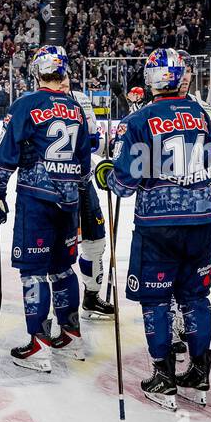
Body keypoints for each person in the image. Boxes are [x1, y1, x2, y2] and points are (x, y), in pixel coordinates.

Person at [101, 47, 211, 410]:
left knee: (156, 299)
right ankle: (199, 374)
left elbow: (125, 182)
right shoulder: (200, 114)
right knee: (195, 297)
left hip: (158, 224)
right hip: (201, 220)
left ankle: (163, 376)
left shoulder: (141, 119)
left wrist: (109, 175)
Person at [0, 48, 92, 372]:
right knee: (62, 269)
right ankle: (71, 336)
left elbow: (5, 156)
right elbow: (85, 166)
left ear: (36, 72)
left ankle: (39, 344)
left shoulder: (26, 104)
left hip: (37, 200)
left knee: (33, 271)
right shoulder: (76, 108)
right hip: (68, 201)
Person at [63, 66, 115, 320]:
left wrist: (109, 147)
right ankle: (60, 304)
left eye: (63, 74)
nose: (60, 81)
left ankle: (91, 296)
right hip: (53, 188)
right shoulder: (35, 104)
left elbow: (95, 141)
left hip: (84, 182)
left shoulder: (81, 99)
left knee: (96, 241)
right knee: (58, 248)